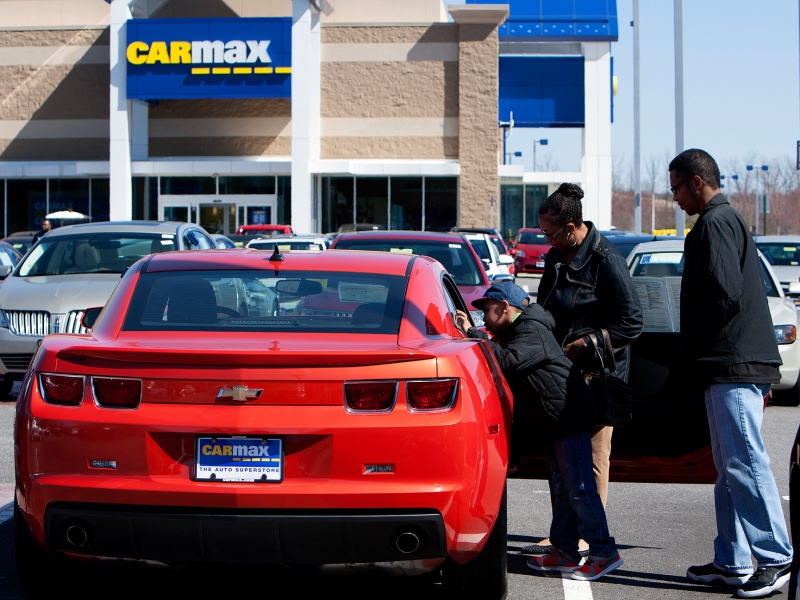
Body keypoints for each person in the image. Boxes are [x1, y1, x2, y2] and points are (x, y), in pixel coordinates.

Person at [672, 149, 792, 598]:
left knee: (744, 462)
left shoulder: (716, 223)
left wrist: (695, 344)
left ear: (698, 182)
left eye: (677, 188)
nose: (676, 198)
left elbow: (723, 294)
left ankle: (777, 556)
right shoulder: (721, 221)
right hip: (729, 363)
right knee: (730, 468)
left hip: (733, 363)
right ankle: (733, 561)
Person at [455, 282, 623, 581]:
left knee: (581, 489)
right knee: (564, 489)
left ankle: (604, 552)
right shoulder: (517, 333)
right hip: (555, 421)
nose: (483, 317)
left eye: (487, 310)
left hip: (567, 417)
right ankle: (565, 551)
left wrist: (473, 335)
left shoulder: (531, 330)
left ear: (505, 307)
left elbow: (506, 363)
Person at [528, 183, 643, 555]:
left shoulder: (607, 259)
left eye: (550, 233)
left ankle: (589, 536)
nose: (547, 240)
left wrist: (588, 343)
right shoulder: (555, 258)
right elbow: (547, 308)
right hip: (561, 376)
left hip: (598, 379)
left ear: (573, 228)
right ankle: (565, 534)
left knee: (591, 461)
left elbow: (632, 321)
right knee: (561, 464)